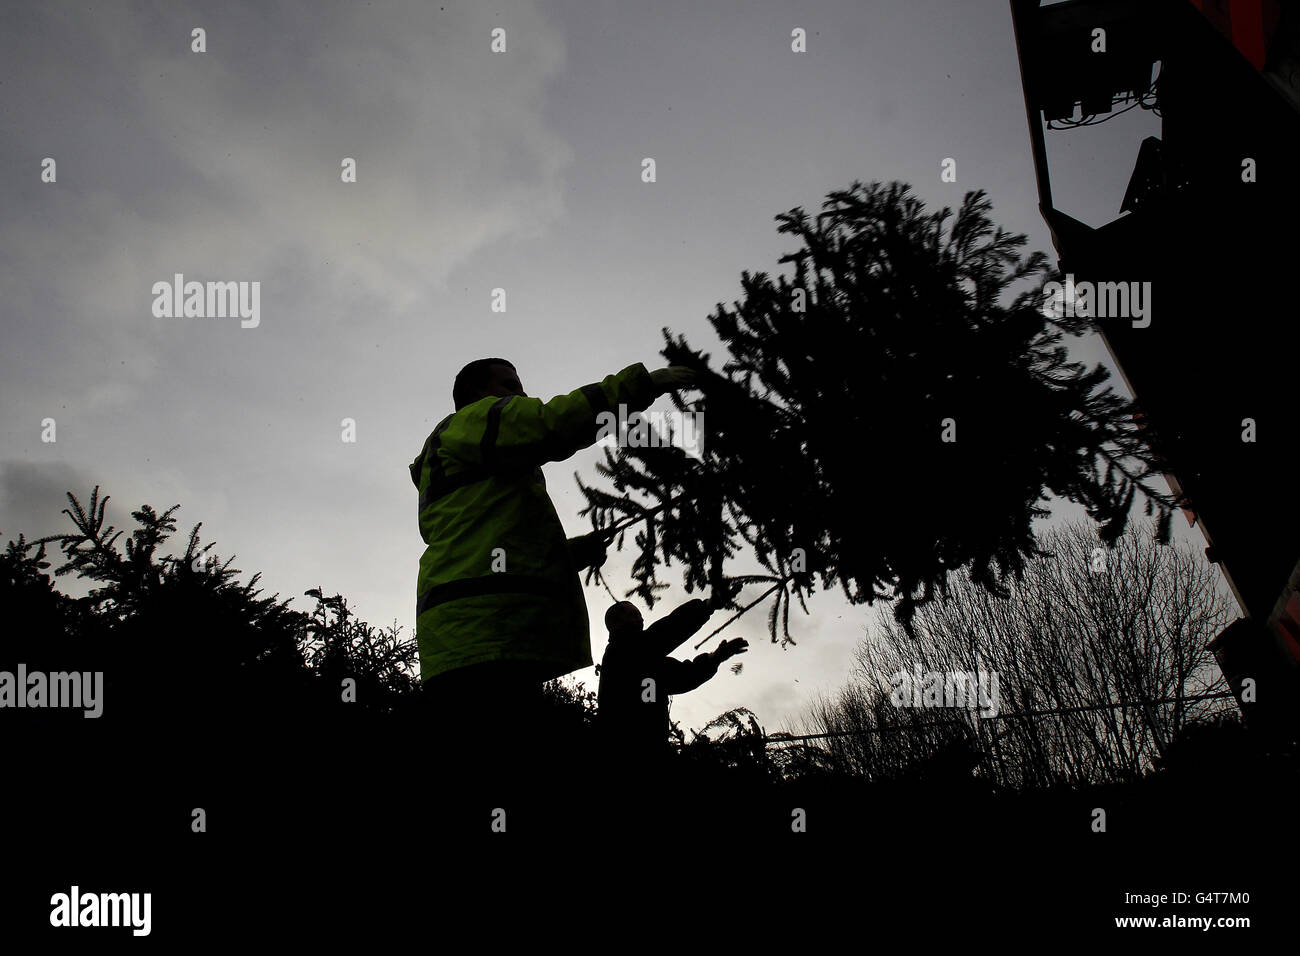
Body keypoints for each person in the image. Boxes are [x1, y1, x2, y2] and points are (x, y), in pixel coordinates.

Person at [410, 358, 697, 786]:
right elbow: (552, 423)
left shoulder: (470, 460)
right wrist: (643, 385)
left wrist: (569, 554)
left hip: (465, 639)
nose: (521, 397)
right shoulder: (476, 420)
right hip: (490, 636)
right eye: (509, 386)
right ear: (476, 395)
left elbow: (494, 544)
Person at [597, 597, 749, 786]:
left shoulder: (646, 661)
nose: (640, 619)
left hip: (651, 755)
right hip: (622, 756)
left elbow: (683, 676)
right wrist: (706, 607)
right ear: (615, 624)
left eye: (640, 614)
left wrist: (715, 657)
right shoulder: (620, 653)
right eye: (633, 615)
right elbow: (665, 632)